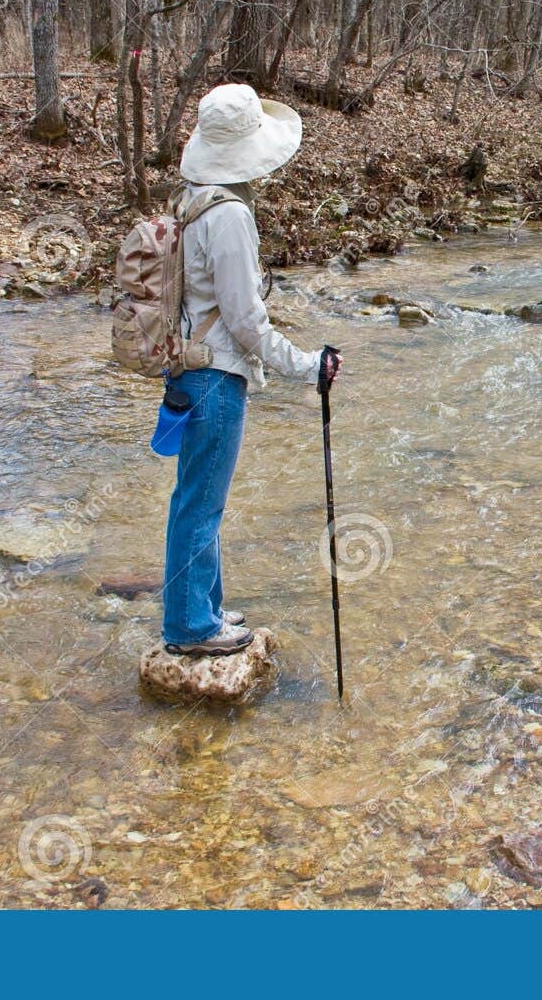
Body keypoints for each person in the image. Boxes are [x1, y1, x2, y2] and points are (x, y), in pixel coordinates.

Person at [162, 83, 341, 657]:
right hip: (216, 378)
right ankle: (192, 627)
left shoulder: (189, 200)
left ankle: (204, 610)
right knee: (202, 504)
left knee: (195, 498)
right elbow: (245, 321)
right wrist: (307, 366)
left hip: (186, 370)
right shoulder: (231, 215)